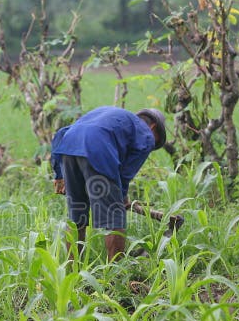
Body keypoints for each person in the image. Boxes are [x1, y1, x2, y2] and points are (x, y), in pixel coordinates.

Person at [51, 105, 167, 261]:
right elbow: (125, 174)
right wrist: (121, 198)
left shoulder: (114, 116)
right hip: (98, 150)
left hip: (69, 147)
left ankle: (72, 271)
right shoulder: (146, 134)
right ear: (153, 126)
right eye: (155, 142)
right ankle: (114, 272)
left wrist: (59, 174)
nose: (151, 145)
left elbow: (61, 133)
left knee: (77, 216)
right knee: (115, 215)